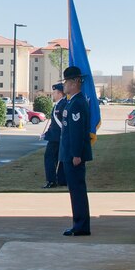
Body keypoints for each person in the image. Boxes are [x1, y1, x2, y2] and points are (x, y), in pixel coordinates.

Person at [59, 67, 93, 235]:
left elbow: (77, 132)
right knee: (75, 191)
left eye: (66, 82)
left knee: (77, 191)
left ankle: (81, 226)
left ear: (73, 83)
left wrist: (76, 154)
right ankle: (78, 224)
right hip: (69, 153)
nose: (64, 85)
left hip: (74, 155)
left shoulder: (77, 103)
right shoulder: (73, 101)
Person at [41, 83, 67, 188]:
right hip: (54, 136)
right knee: (57, 158)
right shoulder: (57, 104)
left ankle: (52, 181)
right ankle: (61, 180)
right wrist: (47, 133)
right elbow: (53, 123)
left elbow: (63, 123)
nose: (53, 94)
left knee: (49, 158)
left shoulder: (63, 104)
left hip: (58, 137)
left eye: (55, 92)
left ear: (60, 93)